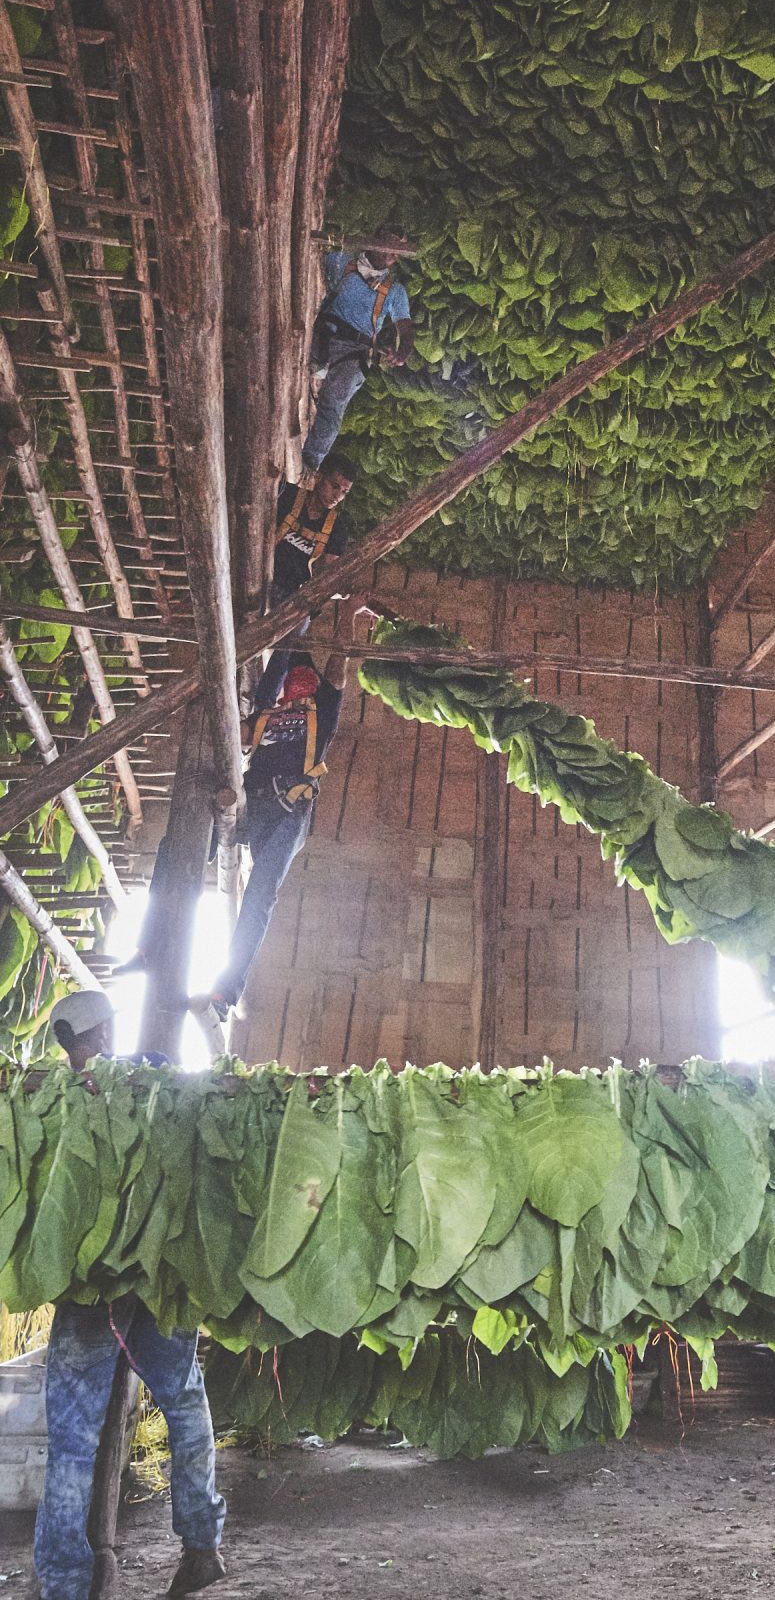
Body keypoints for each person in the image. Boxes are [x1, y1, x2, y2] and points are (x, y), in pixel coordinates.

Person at [35, 991, 226, 1600]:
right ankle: (202, 1543)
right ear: (107, 1029)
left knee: (70, 1443)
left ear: (69, 1040)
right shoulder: (152, 1073)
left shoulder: (54, 1096)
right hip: (158, 1276)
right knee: (186, 1406)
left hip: (90, 1290)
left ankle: (64, 1584)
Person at [194, 599, 376, 1022]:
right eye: (291, 678)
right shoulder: (265, 713)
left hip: (289, 811)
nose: (298, 683)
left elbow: (337, 664)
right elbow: (234, 730)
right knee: (196, 835)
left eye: (304, 679)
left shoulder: (324, 710)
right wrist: (298, 616)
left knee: (259, 897)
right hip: (249, 802)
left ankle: (225, 991)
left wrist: (346, 614)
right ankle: (165, 926)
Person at [257, 453, 357, 703]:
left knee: (291, 643)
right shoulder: (288, 496)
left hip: (294, 594)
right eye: (335, 486)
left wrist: (338, 589)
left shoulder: (336, 528)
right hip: (260, 578)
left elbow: (325, 573)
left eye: (344, 492)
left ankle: (264, 704)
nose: (337, 495)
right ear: (320, 477)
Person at [303, 250, 413, 474]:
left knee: (332, 405)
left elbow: (405, 328)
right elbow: (311, 256)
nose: (390, 253)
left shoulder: (393, 291)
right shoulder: (343, 261)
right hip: (323, 334)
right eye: (387, 244)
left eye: (396, 250)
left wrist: (402, 352)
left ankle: (309, 462)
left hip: (355, 350)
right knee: (294, 375)